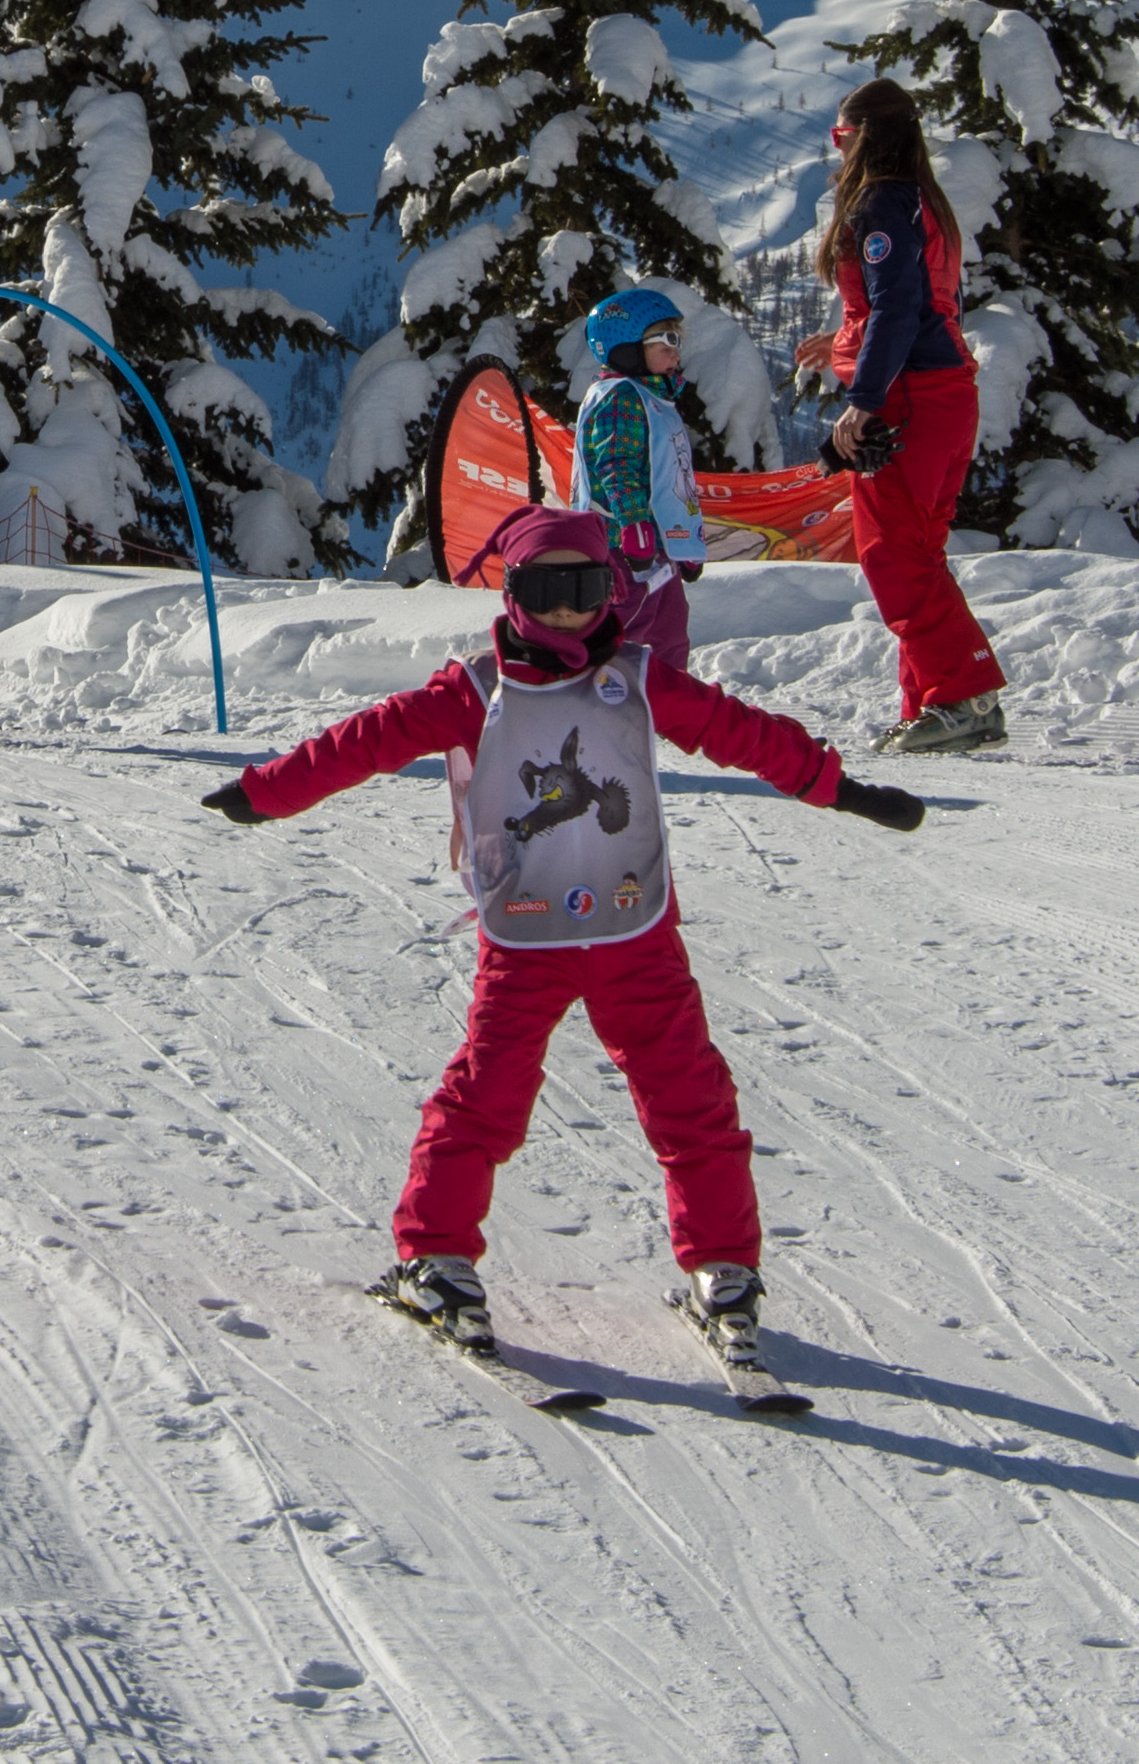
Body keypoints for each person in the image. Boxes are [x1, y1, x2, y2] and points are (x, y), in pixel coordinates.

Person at [199, 504, 928, 1367]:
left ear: (610, 590)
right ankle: (437, 1255)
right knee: (485, 1095)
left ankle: (725, 1269)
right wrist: (266, 792)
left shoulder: (639, 677)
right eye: (546, 591)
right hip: (528, 939)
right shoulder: (473, 691)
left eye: (585, 589)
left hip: (633, 936)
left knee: (689, 1096)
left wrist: (838, 787)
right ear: (513, 595)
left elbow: (743, 735)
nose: (568, 614)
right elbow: (364, 743)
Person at [803, 75, 1011, 754]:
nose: (838, 149)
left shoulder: (882, 201)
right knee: (916, 549)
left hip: (909, 397)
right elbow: (904, 304)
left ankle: (961, 697)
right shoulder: (923, 200)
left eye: (842, 135)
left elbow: (897, 309)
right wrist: (837, 344)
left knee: (890, 550)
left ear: (866, 135)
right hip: (948, 390)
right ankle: (932, 699)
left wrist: (861, 402)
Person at [572, 287, 709, 678]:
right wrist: (633, 525)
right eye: (667, 340)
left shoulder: (652, 399)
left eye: (678, 340)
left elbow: (671, 477)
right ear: (626, 344)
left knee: (669, 636)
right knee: (623, 634)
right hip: (622, 548)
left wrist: (686, 543)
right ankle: (600, 706)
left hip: (656, 550)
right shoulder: (621, 398)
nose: (676, 352)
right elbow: (616, 465)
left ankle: (667, 710)